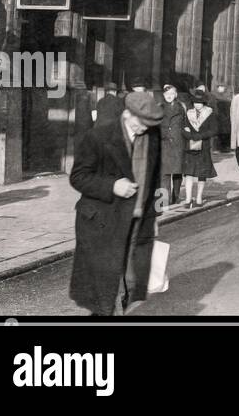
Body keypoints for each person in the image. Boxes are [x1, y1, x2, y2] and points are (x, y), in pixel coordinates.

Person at [69, 91, 163, 317]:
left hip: (138, 219)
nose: (145, 129)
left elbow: (154, 175)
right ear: (127, 114)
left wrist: (154, 214)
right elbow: (78, 177)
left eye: (150, 124)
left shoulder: (152, 136)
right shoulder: (98, 137)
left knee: (132, 282)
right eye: (142, 123)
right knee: (106, 288)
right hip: (104, 220)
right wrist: (112, 186)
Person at [180, 88, 218, 207]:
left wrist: (200, 136)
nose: (197, 105)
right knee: (189, 173)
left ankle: (199, 198)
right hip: (190, 147)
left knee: (202, 173)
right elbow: (183, 128)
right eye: (195, 102)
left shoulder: (210, 114)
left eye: (200, 103)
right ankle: (188, 199)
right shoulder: (188, 114)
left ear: (204, 103)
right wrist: (190, 135)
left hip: (204, 147)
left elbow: (214, 130)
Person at [158, 84, 186, 207]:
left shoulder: (182, 107)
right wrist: (162, 134)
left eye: (171, 94)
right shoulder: (159, 107)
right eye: (166, 94)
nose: (169, 96)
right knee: (164, 173)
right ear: (164, 95)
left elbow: (186, 123)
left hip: (178, 142)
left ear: (175, 95)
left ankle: (175, 196)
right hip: (164, 142)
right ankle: (165, 201)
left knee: (177, 172)